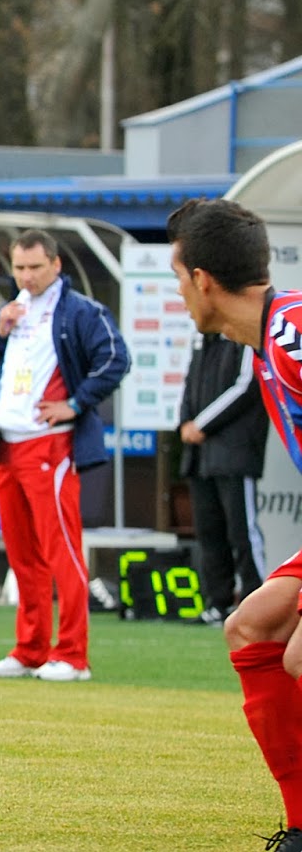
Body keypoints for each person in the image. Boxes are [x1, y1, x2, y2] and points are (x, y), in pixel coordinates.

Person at [164, 197, 302, 851]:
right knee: (254, 626)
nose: (180, 294)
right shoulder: (270, 342)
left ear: (202, 280)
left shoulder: (292, 333)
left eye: (176, 277)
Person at [0, 228, 129, 683]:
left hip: (50, 443)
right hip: (6, 443)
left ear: (56, 265)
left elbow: (115, 359)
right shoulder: (11, 310)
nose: (27, 276)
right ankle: (31, 648)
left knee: (62, 552)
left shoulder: (79, 310)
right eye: (19, 267)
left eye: (35, 267)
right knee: (22, 556)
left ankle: (73, 654)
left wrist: (75, 404)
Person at [179, 329, 268, 624]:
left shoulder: (244, 332)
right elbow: (190, 382)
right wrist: (185, 423)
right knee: (209, 533)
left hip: (236, 451)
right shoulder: (202, 336)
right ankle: (218, 603)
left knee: (243, 533)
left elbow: (246, 385)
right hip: (201, 455)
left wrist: (202, 424)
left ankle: (257, 606)